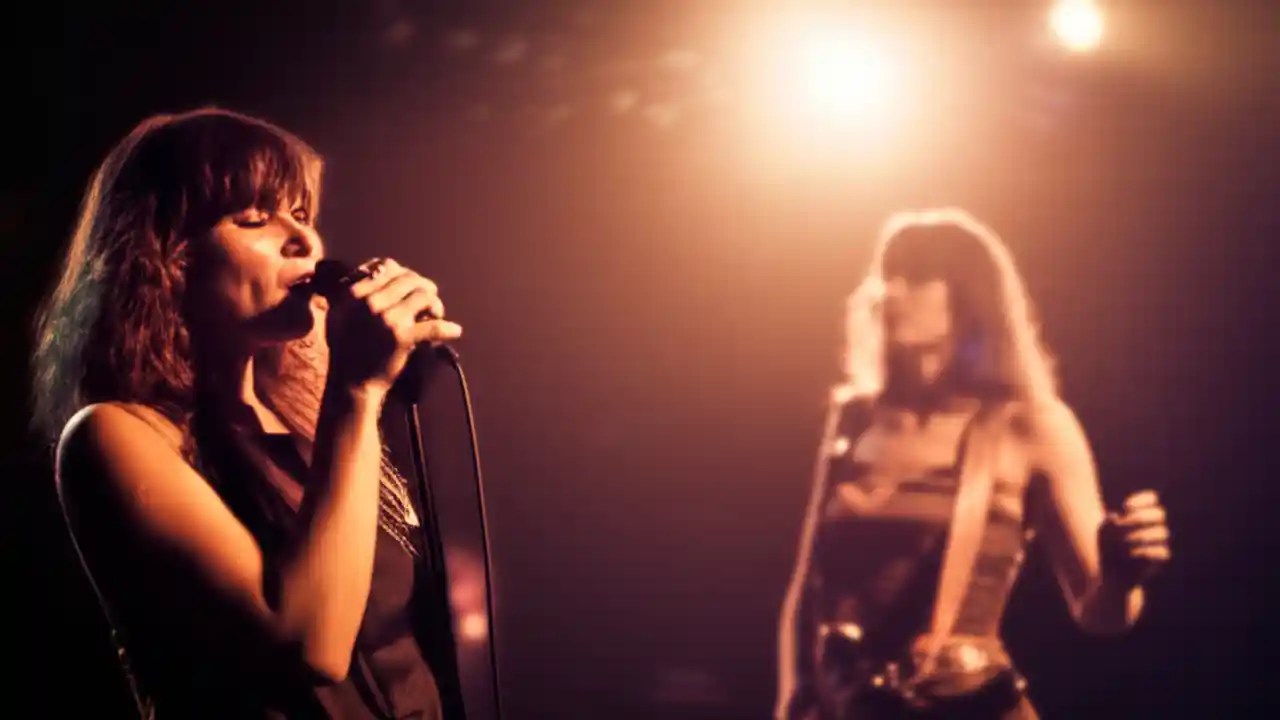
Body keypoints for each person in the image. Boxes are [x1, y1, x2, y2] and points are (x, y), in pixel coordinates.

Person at [32, 107, 465, 718]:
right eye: (255, 218)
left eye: (303, 215)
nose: (304, 240)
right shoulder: (112, 437)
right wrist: (357, 392)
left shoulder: (311, 425)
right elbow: (311, 647)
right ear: (170, 257)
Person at [775, 208, 1171, 719]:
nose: (892, 291)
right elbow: (807, 587)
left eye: (918, 277)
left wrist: (1121, 576)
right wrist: (790, 704)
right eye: (887, 275)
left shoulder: (1031, 425)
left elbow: (1101, 615)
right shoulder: (852, 418)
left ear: (969, 298)